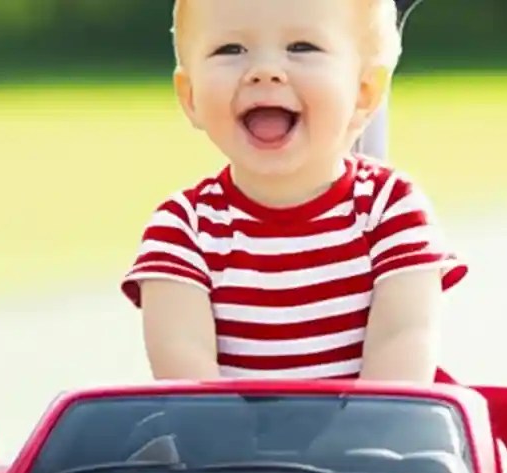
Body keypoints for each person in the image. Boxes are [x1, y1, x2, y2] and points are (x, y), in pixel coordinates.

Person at [120, 0, 467, 383]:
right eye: (230, 50)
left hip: (374, 433)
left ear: (364, 91)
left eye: (302, 47)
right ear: (190, 97)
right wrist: (238, 442)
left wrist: (352, 440)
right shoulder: (184, 228)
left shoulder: (392, 209)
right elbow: (185, 370)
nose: (264, 71)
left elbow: (403, 344)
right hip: (221, 438)